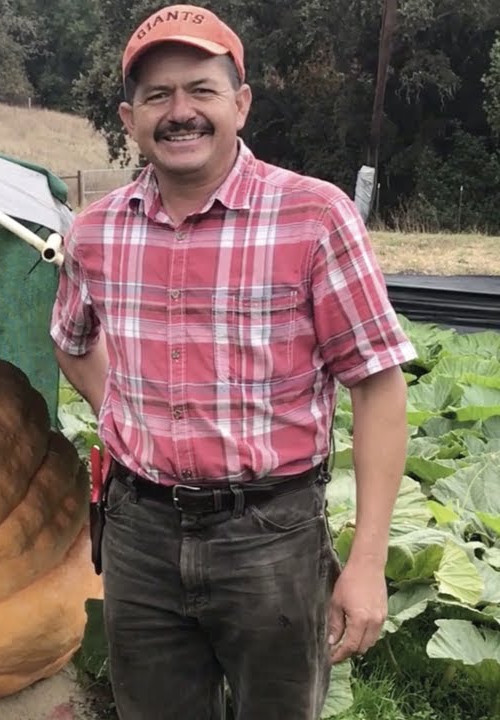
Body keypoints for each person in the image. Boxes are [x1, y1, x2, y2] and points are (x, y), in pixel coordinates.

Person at [50, 4, 415, 719]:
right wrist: (128, 417)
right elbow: (72, 341)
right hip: (139, 535)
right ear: (130, 119)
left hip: (270, 538)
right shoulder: (96, 231)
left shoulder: (314, 217)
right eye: (157, 96)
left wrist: (367, 562)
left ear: (240, 104)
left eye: (201, 90)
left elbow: (376, 387)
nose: (180, 111)